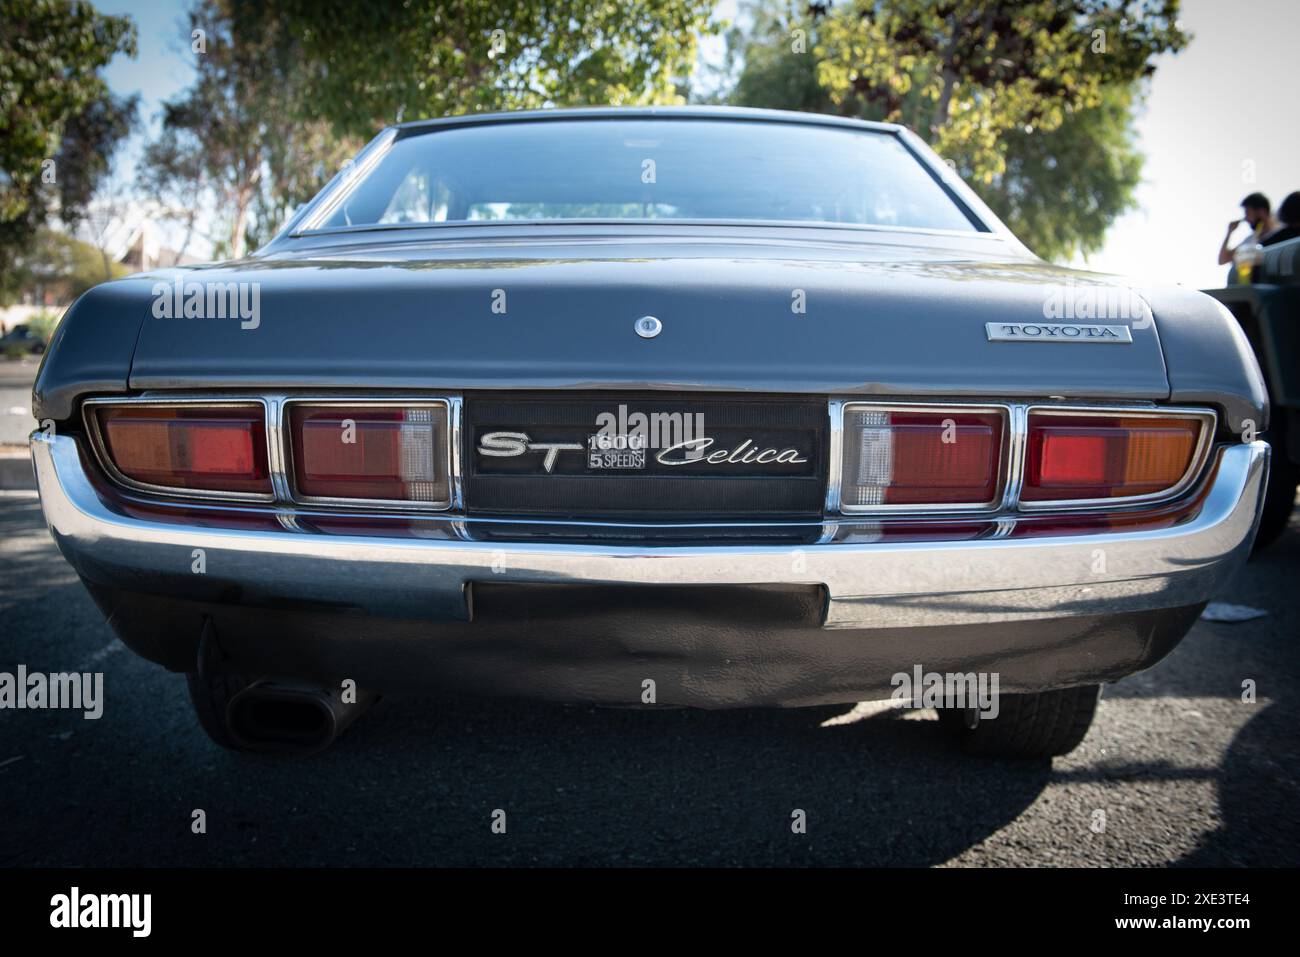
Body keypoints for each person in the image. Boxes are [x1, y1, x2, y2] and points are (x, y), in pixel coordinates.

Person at [1218, 192, 1277, 265]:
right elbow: (1223, 260)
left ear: (1262, 211)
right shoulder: (1250, 241)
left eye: (1248, 213)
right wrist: (1229, 232)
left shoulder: (1281, 233)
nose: (1246, 219)